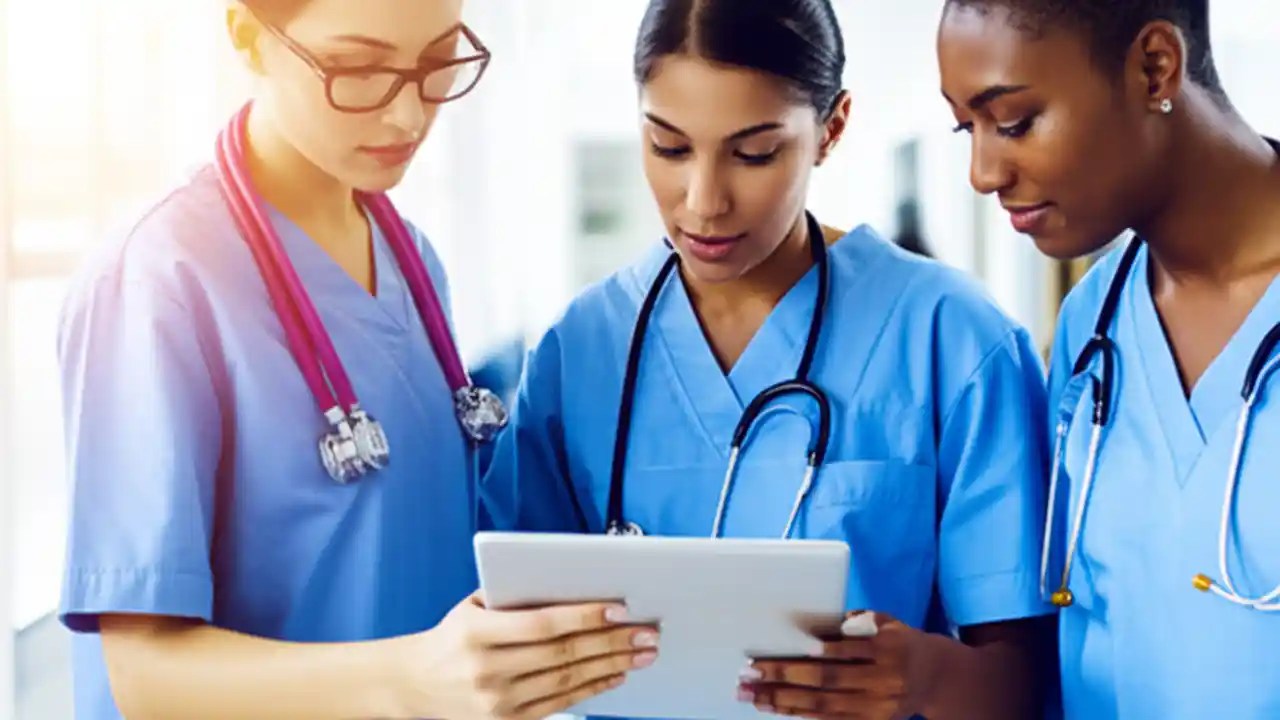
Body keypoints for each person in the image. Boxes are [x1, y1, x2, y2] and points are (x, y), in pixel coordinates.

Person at [55, 1, 659, 718]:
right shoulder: (157, 276)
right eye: (359, 68)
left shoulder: (413, 261)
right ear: (249, 39)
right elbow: (145, 677)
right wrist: (416, 681)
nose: (408, 116)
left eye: (435, 63)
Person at [482, 0, 1056, 717]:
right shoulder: (583, 350)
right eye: (668, 147)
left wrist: (928, 674)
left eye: (754, 153)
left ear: (831, 129)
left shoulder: (952, 339)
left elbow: (1031, 679)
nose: (704, 201)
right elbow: (507, 636)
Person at [938, 0, 1280, 717]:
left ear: (1155, 66)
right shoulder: (1089, 327)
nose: (982, 171)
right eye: (966, 128)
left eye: (1014, 122)